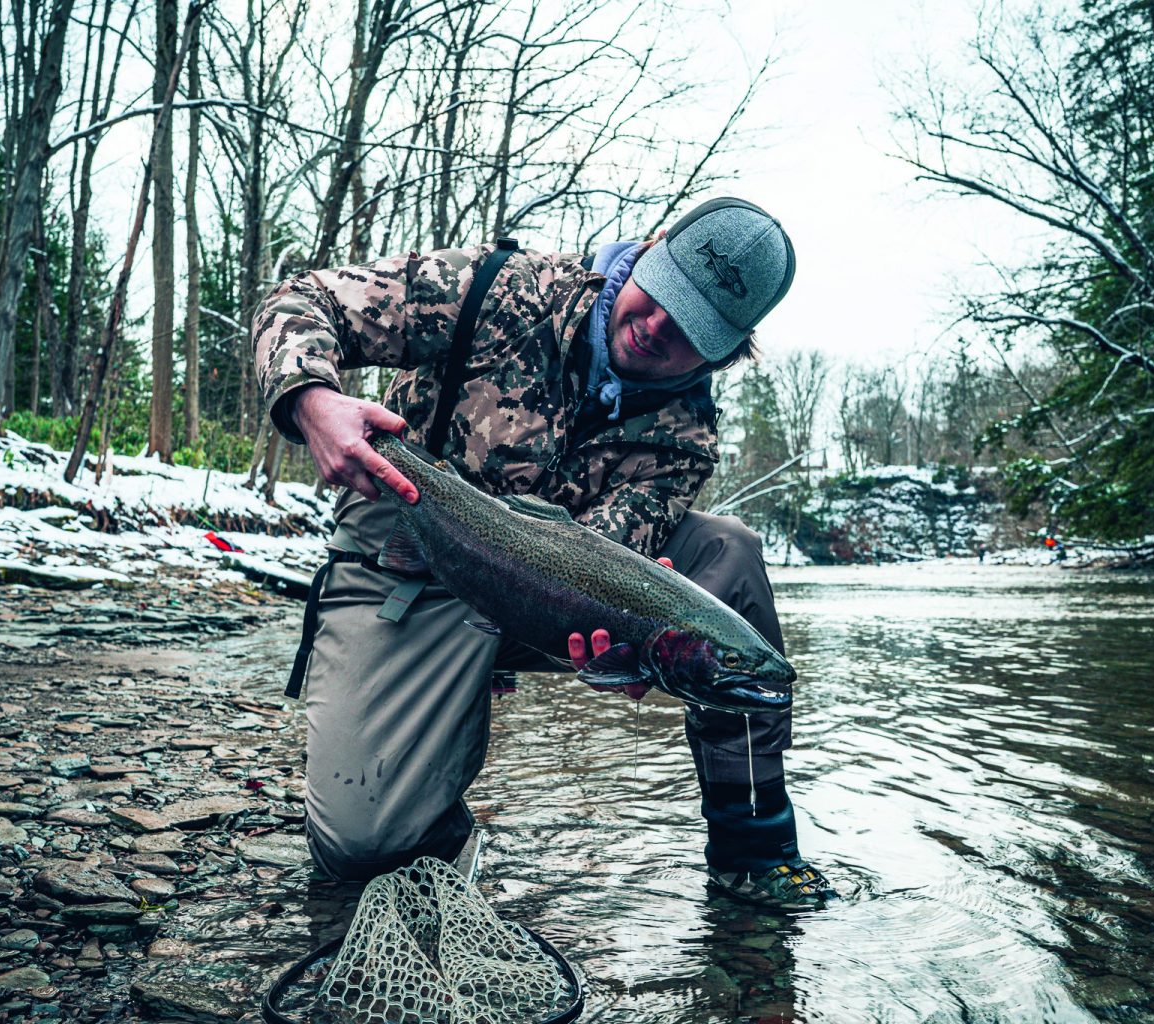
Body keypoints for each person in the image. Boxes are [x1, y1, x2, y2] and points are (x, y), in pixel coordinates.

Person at [252, 197, 836, 910]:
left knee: (730, 553)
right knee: (364, 848)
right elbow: (300, 297)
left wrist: (625, 652)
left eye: (690, 329)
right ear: (647, 253)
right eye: (662, 294)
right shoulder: (503, 289)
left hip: (539, 592)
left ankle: (754, 855)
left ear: (727, 349)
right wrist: (311, 399)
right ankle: (429, 821)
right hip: (409, 554)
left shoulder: (685, 438)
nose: (655, 328)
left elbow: (601, 564)